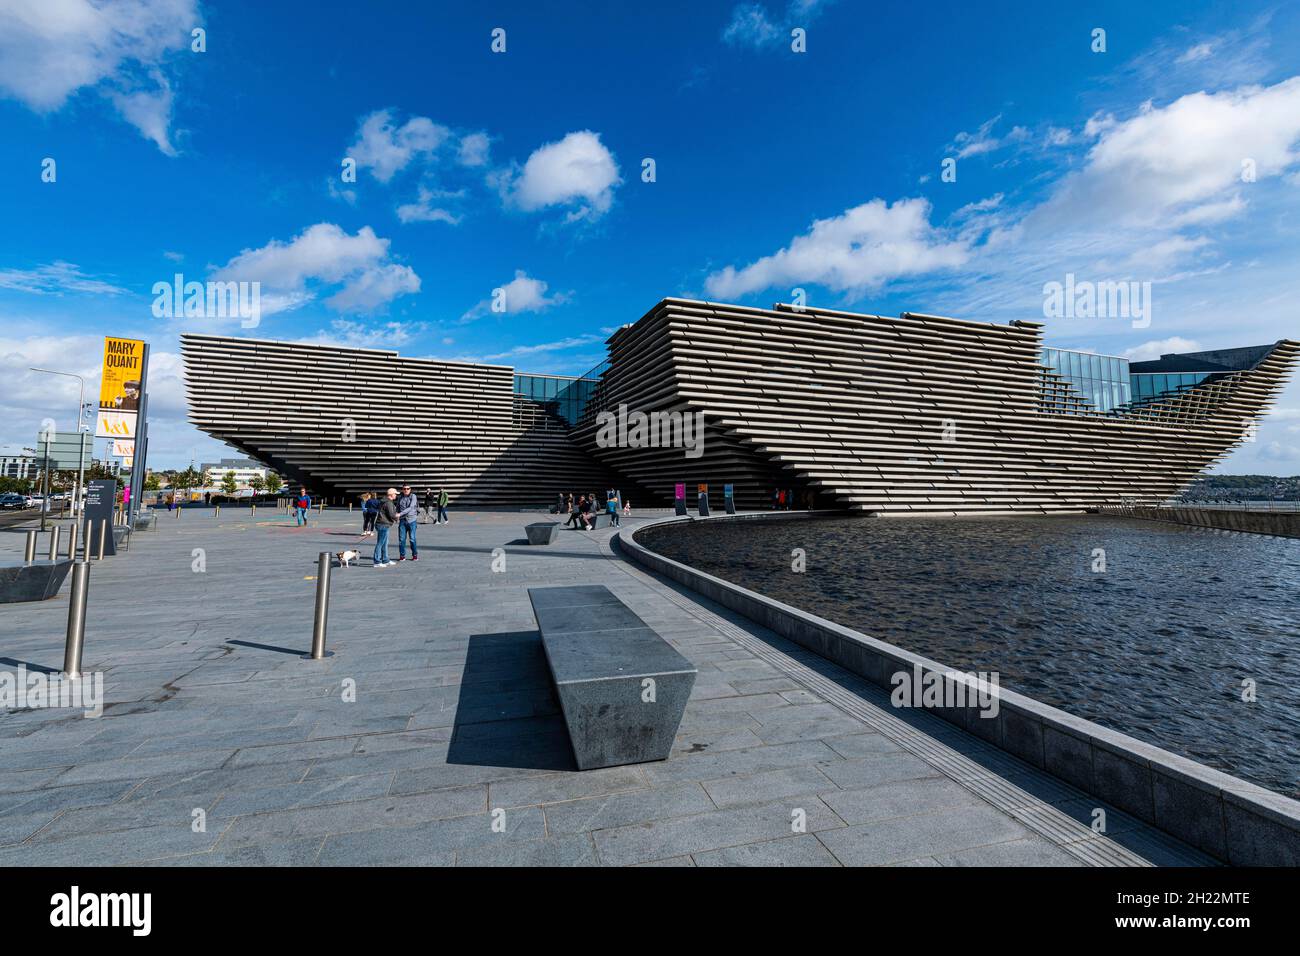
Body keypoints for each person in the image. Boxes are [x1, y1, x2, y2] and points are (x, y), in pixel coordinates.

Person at [373, 488, 398, 568]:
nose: (396, 495)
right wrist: (398, 516)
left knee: (384, 543)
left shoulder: (384, 501)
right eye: (395, 494)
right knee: (380, 543)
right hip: (383, 524)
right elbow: (391, 514)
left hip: (382, 524)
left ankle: (385, 559)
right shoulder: (388, 503)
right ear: (391, 495)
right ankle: (377, 561)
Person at [396, 484, 419, 561]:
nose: (406, 490)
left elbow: (411, 507)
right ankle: (402, 556)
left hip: (412, 520)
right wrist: (396, 517)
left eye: (408, 488)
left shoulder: (413, 496)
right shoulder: (400, 497)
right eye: (404, 488)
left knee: (412, 539)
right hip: (402, 521)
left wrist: (400, 514)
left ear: (410, 489)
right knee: (401, 539)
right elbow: (397, 508)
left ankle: (415, 555)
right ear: (402, 489)